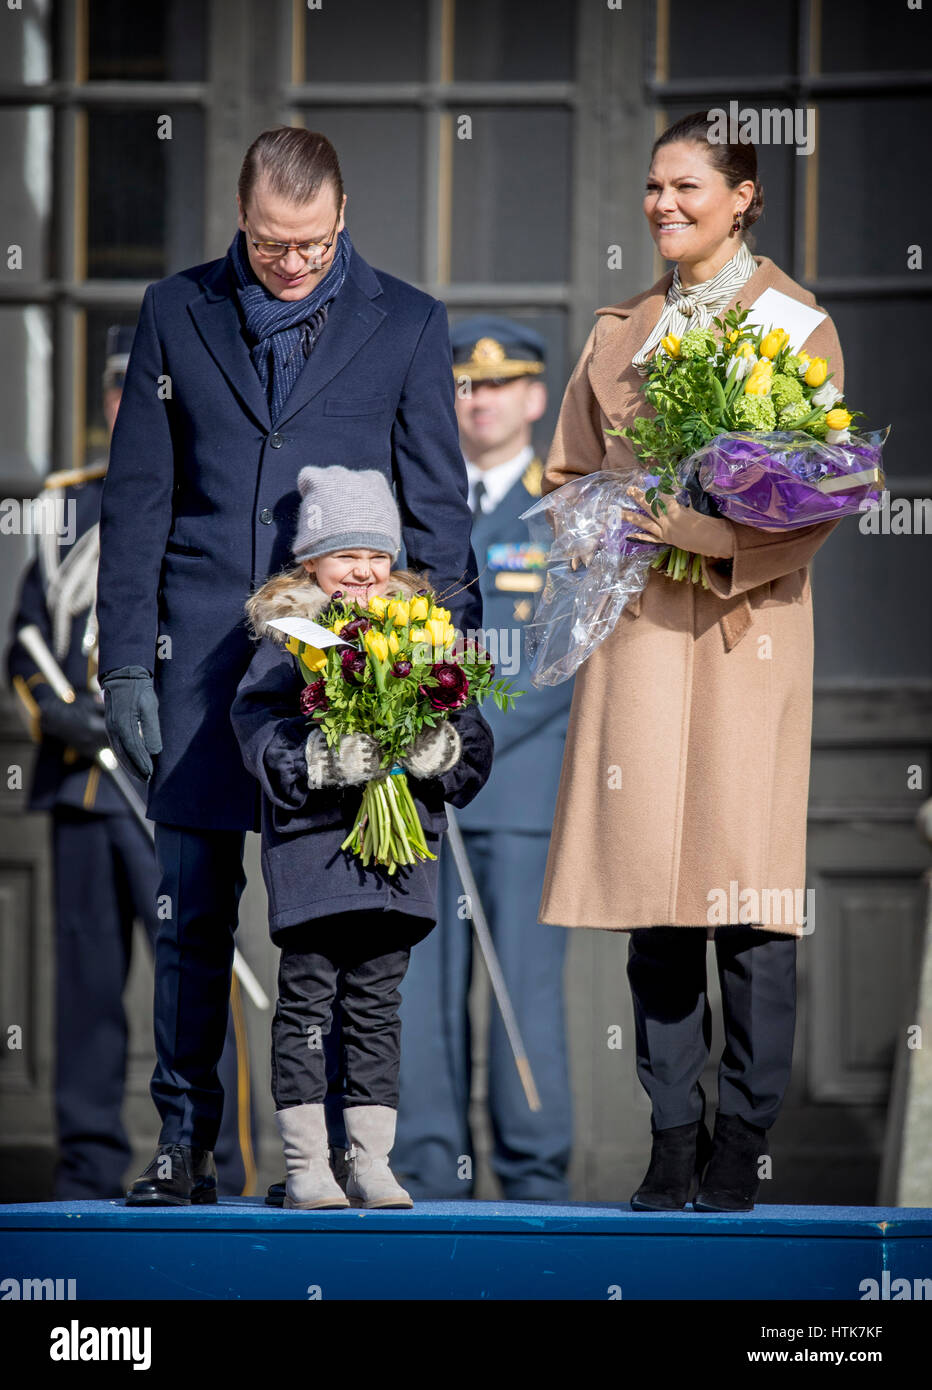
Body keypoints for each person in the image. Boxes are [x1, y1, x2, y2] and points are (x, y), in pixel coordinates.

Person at [95, 126, 483, 1205]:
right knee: (193, 918)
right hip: (204, 661)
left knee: (345, 937)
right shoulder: (178, 310)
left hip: (353, 668)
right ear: (241, 217)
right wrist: (126, 657)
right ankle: (183, 1143)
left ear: (343, 214)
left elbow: (438, 507)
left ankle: (348, 1157)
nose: (293, 263)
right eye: (271, 244)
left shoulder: (406, 323)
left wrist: (432, 654)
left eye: (310, 244)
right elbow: (137, 498)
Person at [537, 110, 847, 1212]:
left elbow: (812, 504)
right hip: (638, 637)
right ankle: (671, 1136)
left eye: (686, 189)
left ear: (741, 196)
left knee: (746, 889)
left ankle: (741, 1138)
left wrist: (695, 531)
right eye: (652, 189)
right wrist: (603, 515)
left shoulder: (793, 324)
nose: (662, 205)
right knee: (653, 892)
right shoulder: (619, 330)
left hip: (742, 627)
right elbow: (565, 470)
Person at [5, 327, 256, 1199]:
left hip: (162, 778)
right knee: (86, 993)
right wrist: (63, 715)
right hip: (80, 787)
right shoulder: (64, 504)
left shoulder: (198, 495)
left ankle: (201, 1152)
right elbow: (26, 644)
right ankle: (85, 1166)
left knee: (188, 975)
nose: (127, 408)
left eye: (142, 394)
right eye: (118, 394)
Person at [230, 465, 494, 1208]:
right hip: (315, 852)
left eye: (377, 555)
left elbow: (471, 735)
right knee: (309, 999)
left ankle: (371, 1161)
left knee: (377, 1005)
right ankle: (309, 1164)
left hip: (398, 860)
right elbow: (255, 728)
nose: (366, 571)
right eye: (346, 555)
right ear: (311, 561)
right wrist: (318, 758)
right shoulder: (290, 637)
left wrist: (439, 749)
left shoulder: (424, 632)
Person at [393, 317, 574, 1201]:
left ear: (536, 398)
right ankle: (428, 1177)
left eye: (501, 385)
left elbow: (568, 660)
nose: (482, 399)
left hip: (521, 794)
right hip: (421, 795)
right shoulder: (417, 501)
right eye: (467, 384)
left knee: (524, 999)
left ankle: (535, 1180)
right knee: (419, 996)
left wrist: (469, 733)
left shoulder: (563, 508)